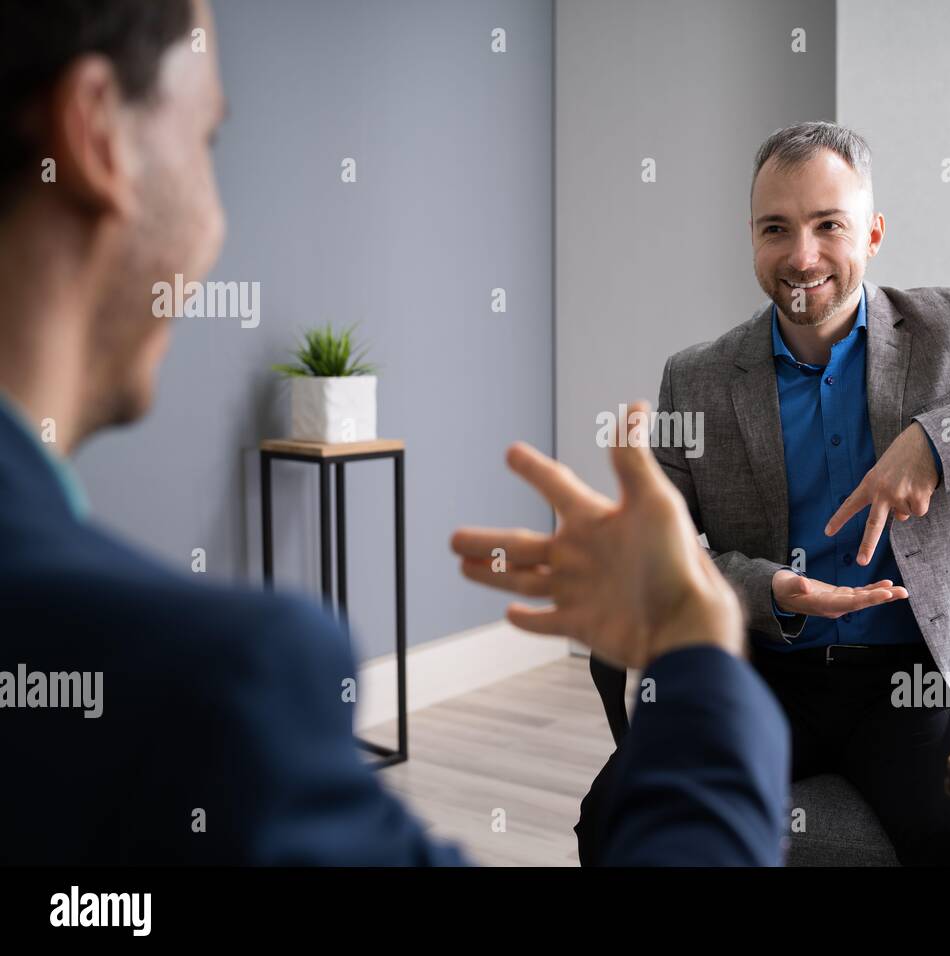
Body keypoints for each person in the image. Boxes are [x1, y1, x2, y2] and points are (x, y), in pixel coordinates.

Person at [0, 0, 788, 866]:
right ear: (96, 133)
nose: (216, 225)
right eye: (206, 141)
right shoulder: (212, 689)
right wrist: (699, 647)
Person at [581, 121, 950, 866]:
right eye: (776, 228)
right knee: (620, 819)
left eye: (828, 225)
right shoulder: (699, 379)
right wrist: (768, 587)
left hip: (919, 672)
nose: (801, 256)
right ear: (751, 237)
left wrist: (939, 444)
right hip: (765, 669)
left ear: (872, 234)